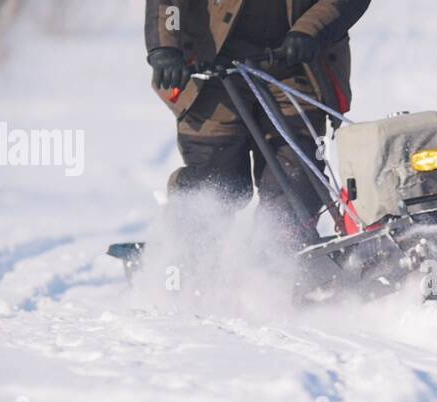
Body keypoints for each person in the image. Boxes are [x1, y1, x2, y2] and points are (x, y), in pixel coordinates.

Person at [144, 0, 370, 249]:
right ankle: (191, 252)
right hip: (211, 69)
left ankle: (279, 259)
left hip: (296, 65)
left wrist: (311, 29)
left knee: (295, 178)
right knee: (218, 181)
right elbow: (169, 5)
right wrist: (165, 47)